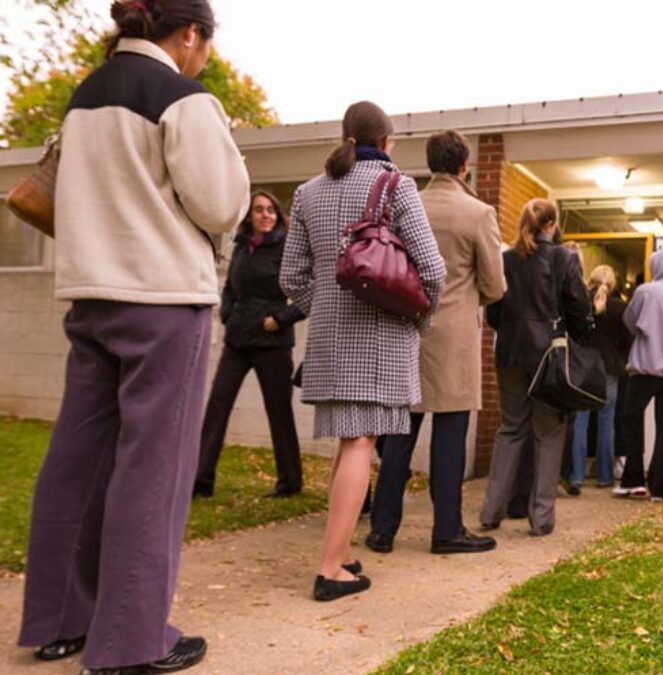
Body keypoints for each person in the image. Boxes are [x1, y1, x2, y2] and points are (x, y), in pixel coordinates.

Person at [17, 1, 249, 672]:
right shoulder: (182, 96)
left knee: (76, 461)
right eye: (206, 42)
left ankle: (59, 619)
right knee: (153, 470)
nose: (205, 54)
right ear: (189, 35)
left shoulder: (84, 97)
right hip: (163, 300)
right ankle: (130, 638)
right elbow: (219, 203)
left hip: (91, 295)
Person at [281, 101, 446, 601]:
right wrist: (418, 317)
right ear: (388, 141)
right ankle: (331, 568)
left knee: (348, 441)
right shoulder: (397, 187)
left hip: (330, 340)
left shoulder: (307, 192)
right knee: (360, 443)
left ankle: (341, 548)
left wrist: (327, 306)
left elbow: (291, 277)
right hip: (379, 337)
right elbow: (432, 270)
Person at [366, 130, 505, 555]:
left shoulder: (404, 206)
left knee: (399, 436)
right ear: (465, 165)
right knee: (450, 437)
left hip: (407, 329)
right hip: (455, 338)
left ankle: (382, 529)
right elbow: (496, 285)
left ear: (430, 162)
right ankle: (447, 530)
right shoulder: (478, 213)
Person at [478, 199, 592, 535]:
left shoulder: (506, 260)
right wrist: (579, 337)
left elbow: (494, 313)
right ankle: (541, 518)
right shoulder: (564, 258)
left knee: (510, 429)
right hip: (550, 357)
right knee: (549, 434)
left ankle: (490, 511)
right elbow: (578, 308)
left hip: (511, 353)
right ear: (551, 225)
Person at [194, 191, 306, 499]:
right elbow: (230, 286)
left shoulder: (287, 247)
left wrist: (281, 319)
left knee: (278, 411)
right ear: (250, 217)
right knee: (217, 404)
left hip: (272, 342)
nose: (266, 215)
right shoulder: (242, 246)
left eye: (271, 209)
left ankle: (290, 481)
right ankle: (201, 479)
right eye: (259, 210)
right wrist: (227, 311)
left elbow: (310, 291)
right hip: (238, 339)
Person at [613, 249, 663, 501]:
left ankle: (633, 480)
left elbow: (629, 320)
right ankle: (660, 489)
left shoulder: (645, 291)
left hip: (647, 367)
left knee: (629, 418)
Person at [568, 265, 632, 491]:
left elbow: (574, 334)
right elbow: (627, 341)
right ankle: (604, 477)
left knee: (580, 422)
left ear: (591, 280)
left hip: (583, 369)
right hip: (610, 369)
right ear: (613, 283)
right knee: (607, 423)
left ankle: (576, 476)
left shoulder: (581, 304)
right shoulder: (621, 308)